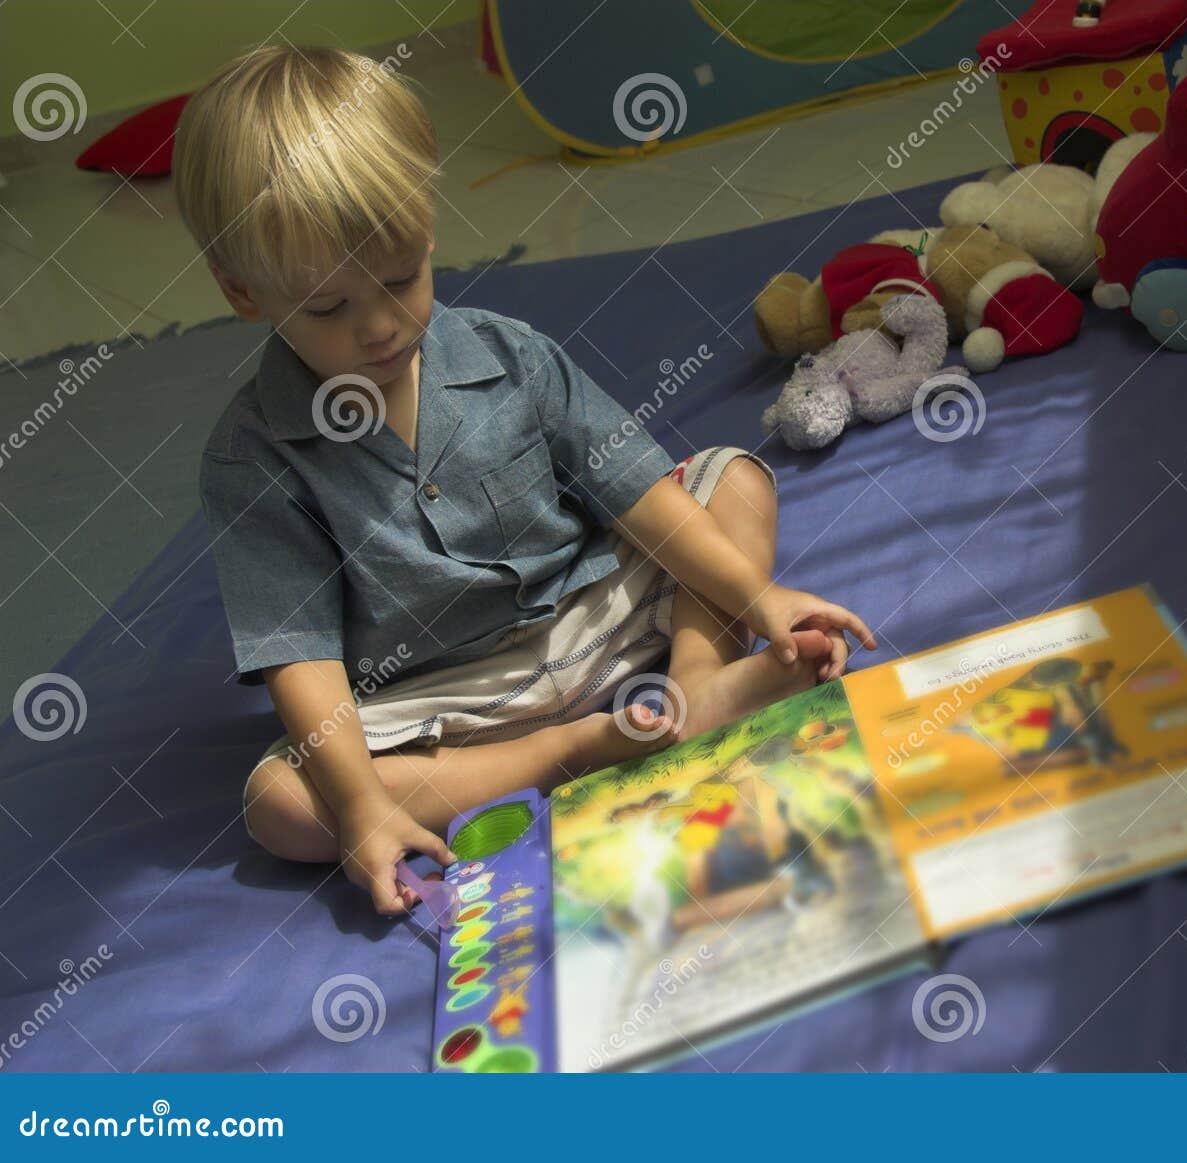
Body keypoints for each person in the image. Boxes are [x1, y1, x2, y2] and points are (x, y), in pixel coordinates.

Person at [173, 46, 875, 915]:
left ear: (427, 230)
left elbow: (638, 496)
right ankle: (579, 752)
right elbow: (304, 661)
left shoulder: (509, 355)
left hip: (602, 615)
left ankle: (696, 685)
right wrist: (359, 810)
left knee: (732, 481)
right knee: (279, 802)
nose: (382, 326)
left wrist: (757, 598)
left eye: (401, 280)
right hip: (451, 702)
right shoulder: (252, 457)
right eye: (328, 308)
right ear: (244, 294)